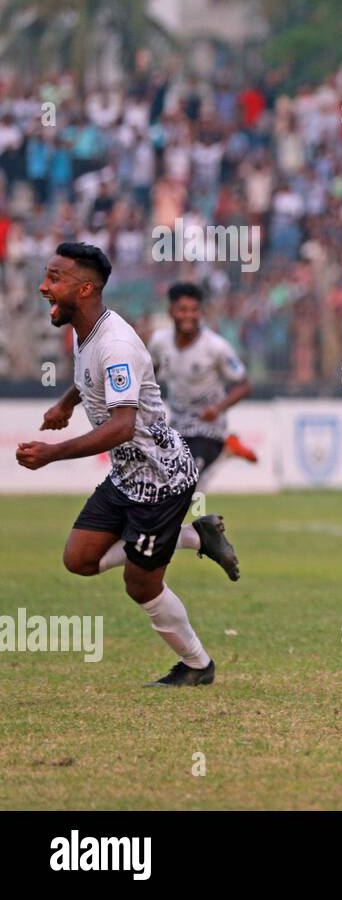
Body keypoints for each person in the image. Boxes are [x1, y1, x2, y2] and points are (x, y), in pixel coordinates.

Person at [16, 243, 240, 686]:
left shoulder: (115, 345)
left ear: (84, 289)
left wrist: (52, 454)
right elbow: (89, 378)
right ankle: (198, 537)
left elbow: (121, 426)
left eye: (54, 279)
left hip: (161, 480)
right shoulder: (86, 329)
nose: (44, 287)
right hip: (126, 475)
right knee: (78, 559)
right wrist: (64, 404)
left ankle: (198, 666)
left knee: (141, 585)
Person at [148, 283, 254, 492]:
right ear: (171, 312)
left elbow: (244, 385)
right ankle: (191, 525)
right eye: (183, 310)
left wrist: (217, 409)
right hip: (178, 425)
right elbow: (148, 376)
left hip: (208, 428)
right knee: (168, 487)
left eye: (194, 310)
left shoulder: (216, 346)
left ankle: (223, 446)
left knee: (187, 482)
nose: (189, 315)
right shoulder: (159, 342)